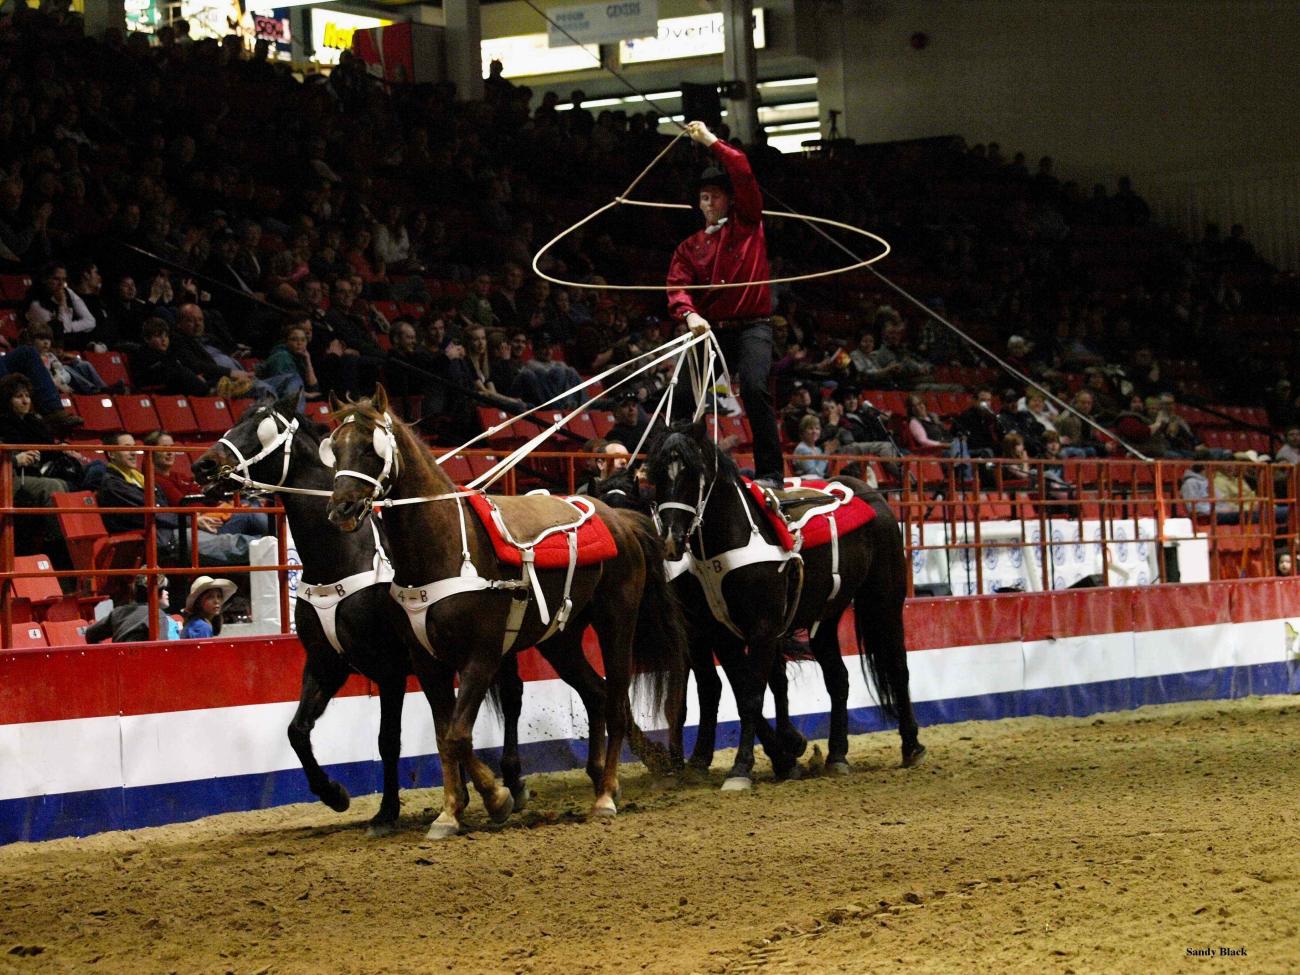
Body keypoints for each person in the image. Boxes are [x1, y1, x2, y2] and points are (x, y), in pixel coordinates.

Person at [667, 120, 783, 487]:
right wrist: (690, 315)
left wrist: (711, 142)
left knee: (753, 386)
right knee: (683, 394)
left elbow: (744, 172)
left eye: (716, 195)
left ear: (730, 200)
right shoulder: (689, 247)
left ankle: (770, 473)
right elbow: (678, 286)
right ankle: (678, 467)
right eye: (704, 197)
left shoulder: (748, 223)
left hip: (753, 326)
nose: (709, 202)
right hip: (710, 330)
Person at [85, 574, 181, 643]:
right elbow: (162, 649)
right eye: (163, 589)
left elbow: (90, 635)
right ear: (155, 593)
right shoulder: (157, 615)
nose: (166, 592)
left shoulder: (118, 613)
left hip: (118, 666)